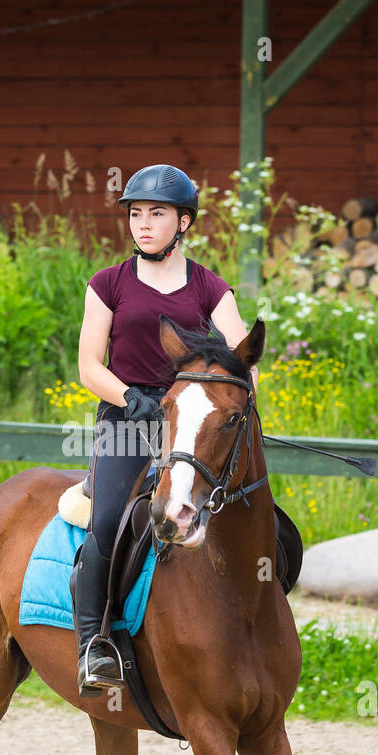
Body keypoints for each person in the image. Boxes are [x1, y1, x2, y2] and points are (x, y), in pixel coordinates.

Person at [71, 162, 258, 696]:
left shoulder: (210, 288)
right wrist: (131, 397)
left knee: (254, 512)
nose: (143, 224)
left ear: (184, 223)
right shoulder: (107, 284)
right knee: (107, 521)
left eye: (157, 213)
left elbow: (244, 360)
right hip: (128, 426)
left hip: (192, 428)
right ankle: (94, 644)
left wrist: (217, 404)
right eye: (136, 213)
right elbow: (89, 366)